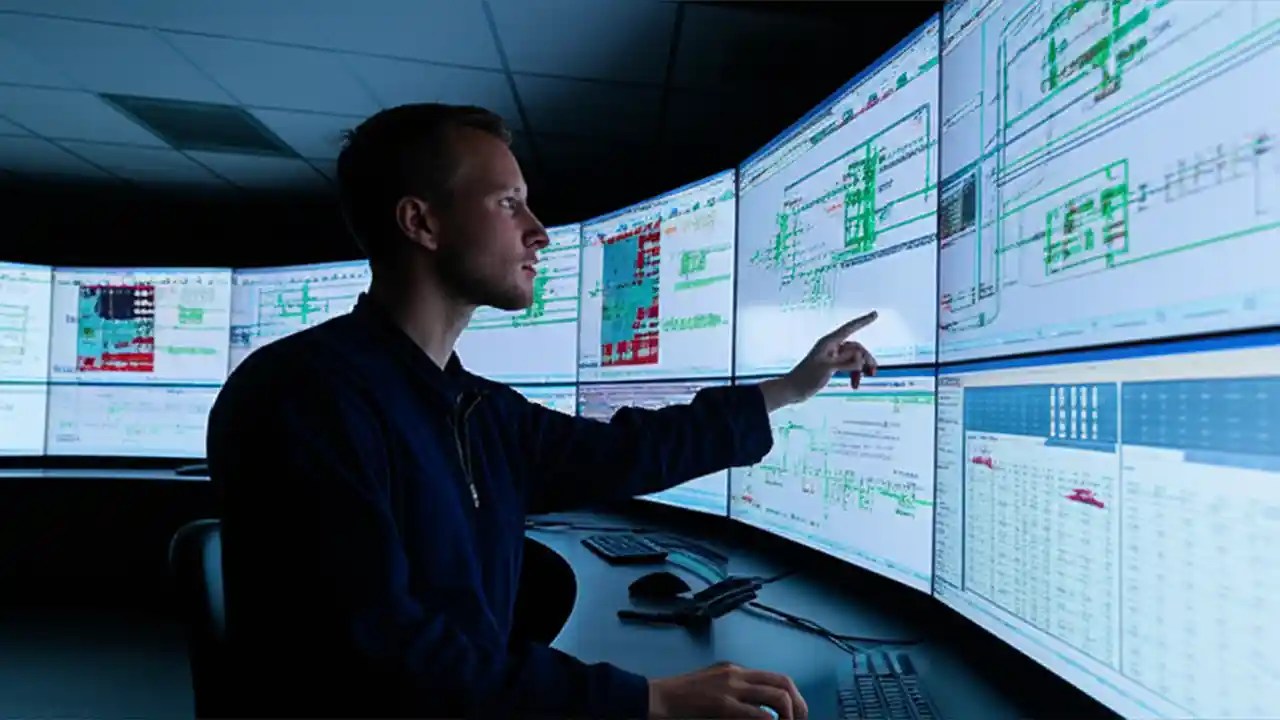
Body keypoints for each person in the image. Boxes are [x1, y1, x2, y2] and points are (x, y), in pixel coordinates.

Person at [206, 103, 880, 720]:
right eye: (509, 204)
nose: (540, 233)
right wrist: (647, 701)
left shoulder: (475, 409)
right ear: (421, 223)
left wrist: (789, 389)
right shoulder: (304, 397)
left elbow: (625, 450)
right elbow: (385, 662)